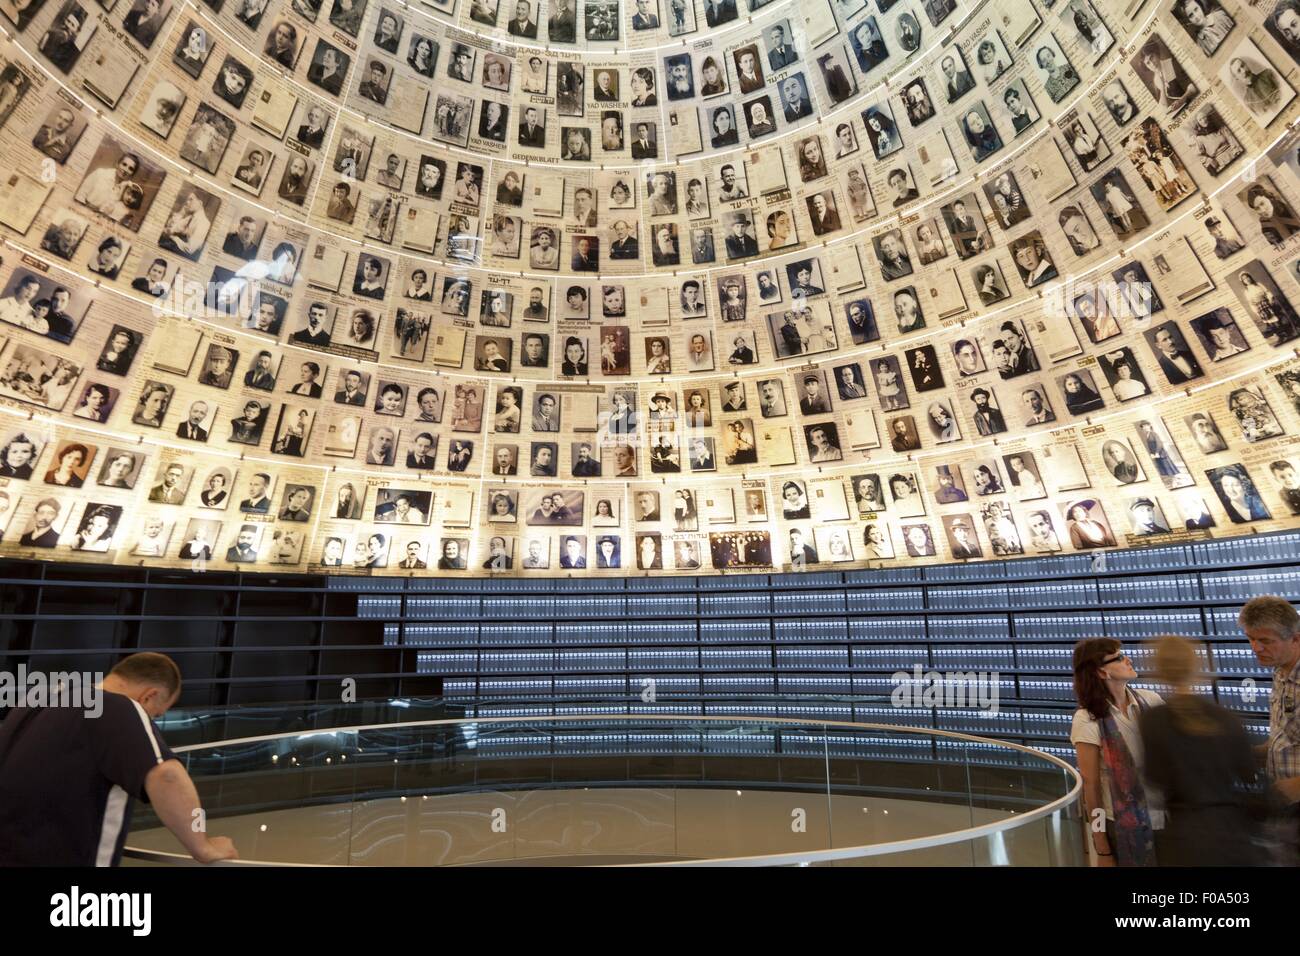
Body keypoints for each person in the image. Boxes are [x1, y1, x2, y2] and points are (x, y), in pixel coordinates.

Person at [0, 652, 238, 865]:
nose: (151, 722)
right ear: (148, 696)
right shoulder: (119, 707)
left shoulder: (42, 699)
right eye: (155, 715)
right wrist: (203, 846)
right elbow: (166, 776)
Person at [1137, 636, 1262, 865]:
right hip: (1232, 836)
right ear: (1200, 666)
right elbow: (1248, 773)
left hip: (1183, 840)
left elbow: (1154, 779)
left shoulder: (1152, 721)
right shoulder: (1227, 718)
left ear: (1158, 670)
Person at [1070, 638, 1165, 866]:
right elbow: (1091, 790)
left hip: (1166, 819)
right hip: (1122, 828)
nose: (1128, 660)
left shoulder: (1151, 701)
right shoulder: (1087, 720)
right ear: (1102, 673)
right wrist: (1101, 847)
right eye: (1120, 658)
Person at [1238, 596, 1300, 862]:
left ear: (1295, 639)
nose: (1255, 647)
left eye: (1265, 641)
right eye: (1251, 639)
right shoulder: (1281, 672)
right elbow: (1285, 737)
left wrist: (1287, 789)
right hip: (1288, 815)